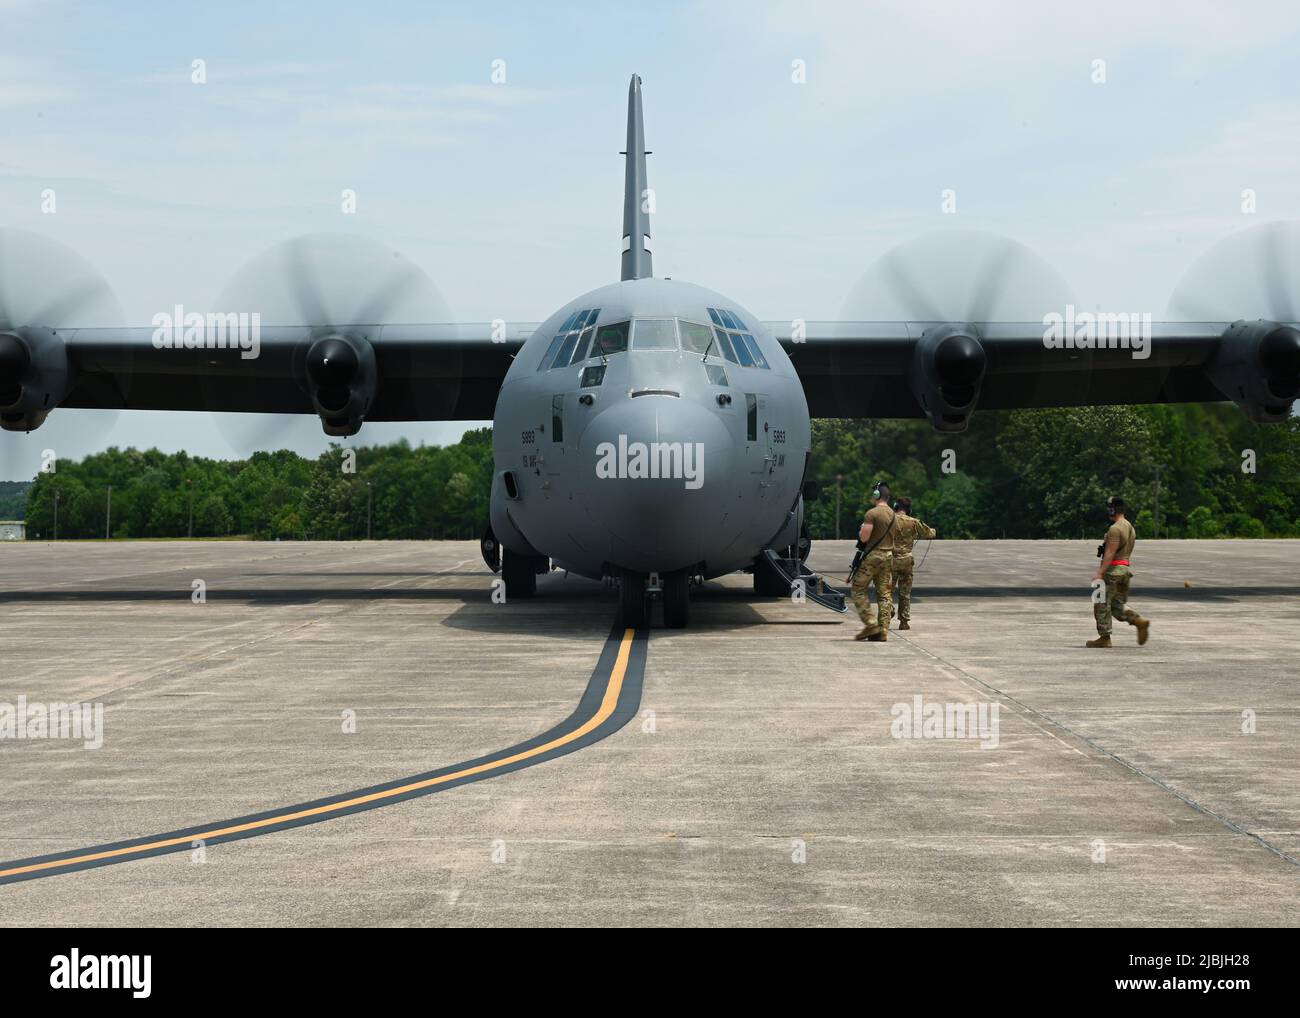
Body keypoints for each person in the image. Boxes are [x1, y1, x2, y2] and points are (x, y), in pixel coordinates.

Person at [1088, 495, 1151, 648]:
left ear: (1112, 509)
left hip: (1113, 571)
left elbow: (1110, 553)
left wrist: (1100, 572)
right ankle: (1138, 621)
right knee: (1117, 605)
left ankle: (1104, 637)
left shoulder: (1115, 529)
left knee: (1100, 602)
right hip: (1124, 570)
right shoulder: (1130, 527)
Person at [850, 481, 897, 642]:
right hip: (888, 555)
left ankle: (871, 624)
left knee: (858, 588)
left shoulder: (872, 513)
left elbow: (864, 538)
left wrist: (863, 529)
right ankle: (882, 631)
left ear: (876, 495)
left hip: (874, 556)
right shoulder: (893, 514)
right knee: (884, 594)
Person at [890, 497, 936, 630]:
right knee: (905, 593)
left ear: (895, 507)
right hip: (907, 561)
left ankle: (889, 610)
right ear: (909, 509)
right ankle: (904, 622)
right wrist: (933, 531)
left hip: (891, 560)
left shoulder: (888, 520)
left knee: (886, 591)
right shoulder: (914, 522)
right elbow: (929, 534)